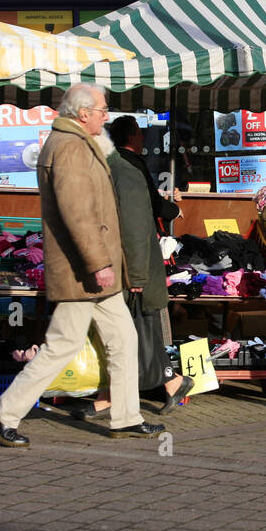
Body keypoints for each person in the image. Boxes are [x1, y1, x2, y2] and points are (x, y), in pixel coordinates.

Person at [0, 84, 164, 447]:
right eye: (101, 109)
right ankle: (3, 412)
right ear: (82, 114)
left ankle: (126, 416)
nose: (106, 115)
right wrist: (98, 264)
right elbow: (77, 212)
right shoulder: (69, 147)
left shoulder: (80, 144)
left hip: (95, 271)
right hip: (84, 271)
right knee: (63, 344)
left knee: (124, 338)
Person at [67, 116, 194, 421]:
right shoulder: (120, 166)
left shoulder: (125, 169)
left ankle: (119, 397)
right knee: (131, 330)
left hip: (129, 272)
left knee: (134, 330)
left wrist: (136, 274)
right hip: (121, 269)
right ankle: (165, 384)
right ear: (134, 136)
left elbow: (136, 224)